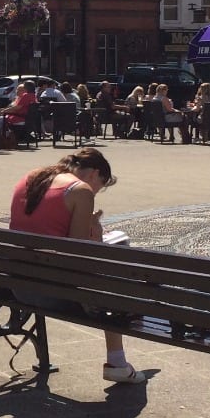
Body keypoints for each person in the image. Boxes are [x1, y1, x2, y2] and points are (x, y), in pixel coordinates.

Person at [9, 148, 146, 385]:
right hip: (53, 293)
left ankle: (118, 360)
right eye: (100, 187)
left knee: (114, 260)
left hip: (17, 284)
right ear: (94, 174)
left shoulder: (33, 176)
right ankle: (116, 361)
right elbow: (79, 257)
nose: (96, 193)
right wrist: (97, 234)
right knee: (117, 264)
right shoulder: (80, 191)